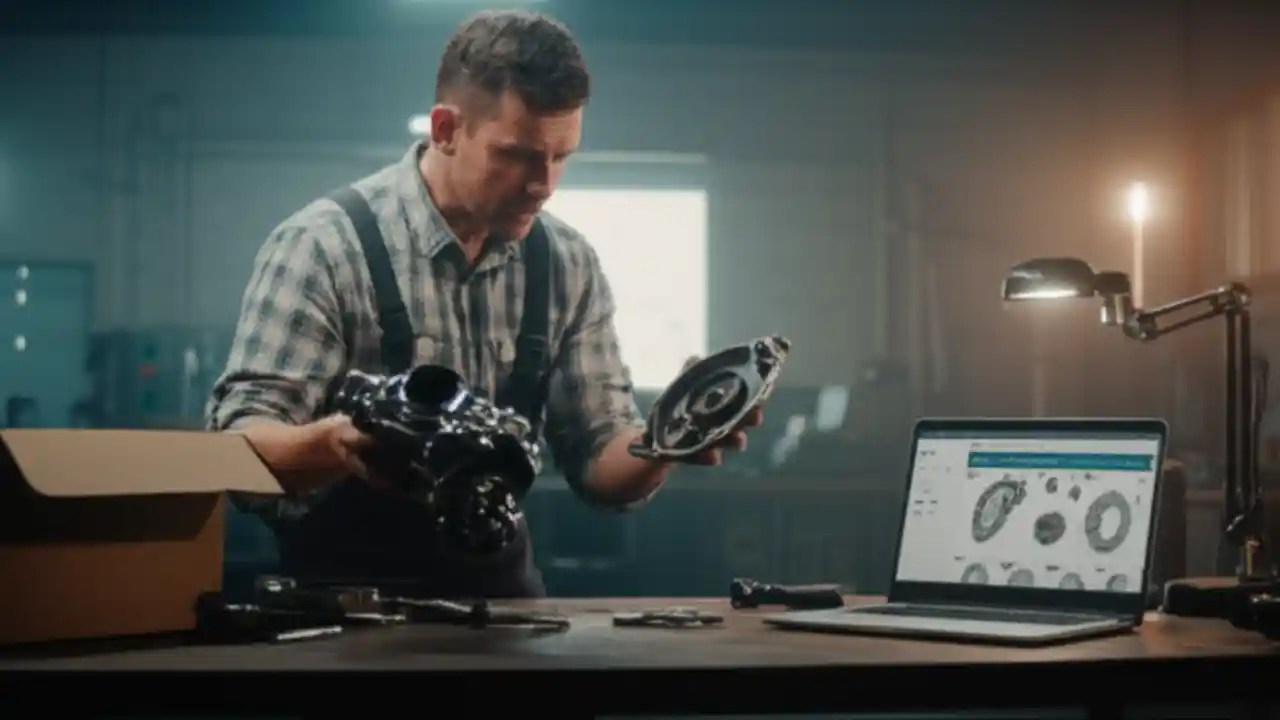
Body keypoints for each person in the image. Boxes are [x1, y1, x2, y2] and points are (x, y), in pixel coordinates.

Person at [206, 9, 761, 598]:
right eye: (516, 155)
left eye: (561, 157)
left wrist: (668, 438)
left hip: (501, 604)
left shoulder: (567, 264)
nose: (544, 184)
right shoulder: (323, 248)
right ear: (446, 129)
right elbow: (238, 448)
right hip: (346, 608)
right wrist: (334, 445)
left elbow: (600, 462)